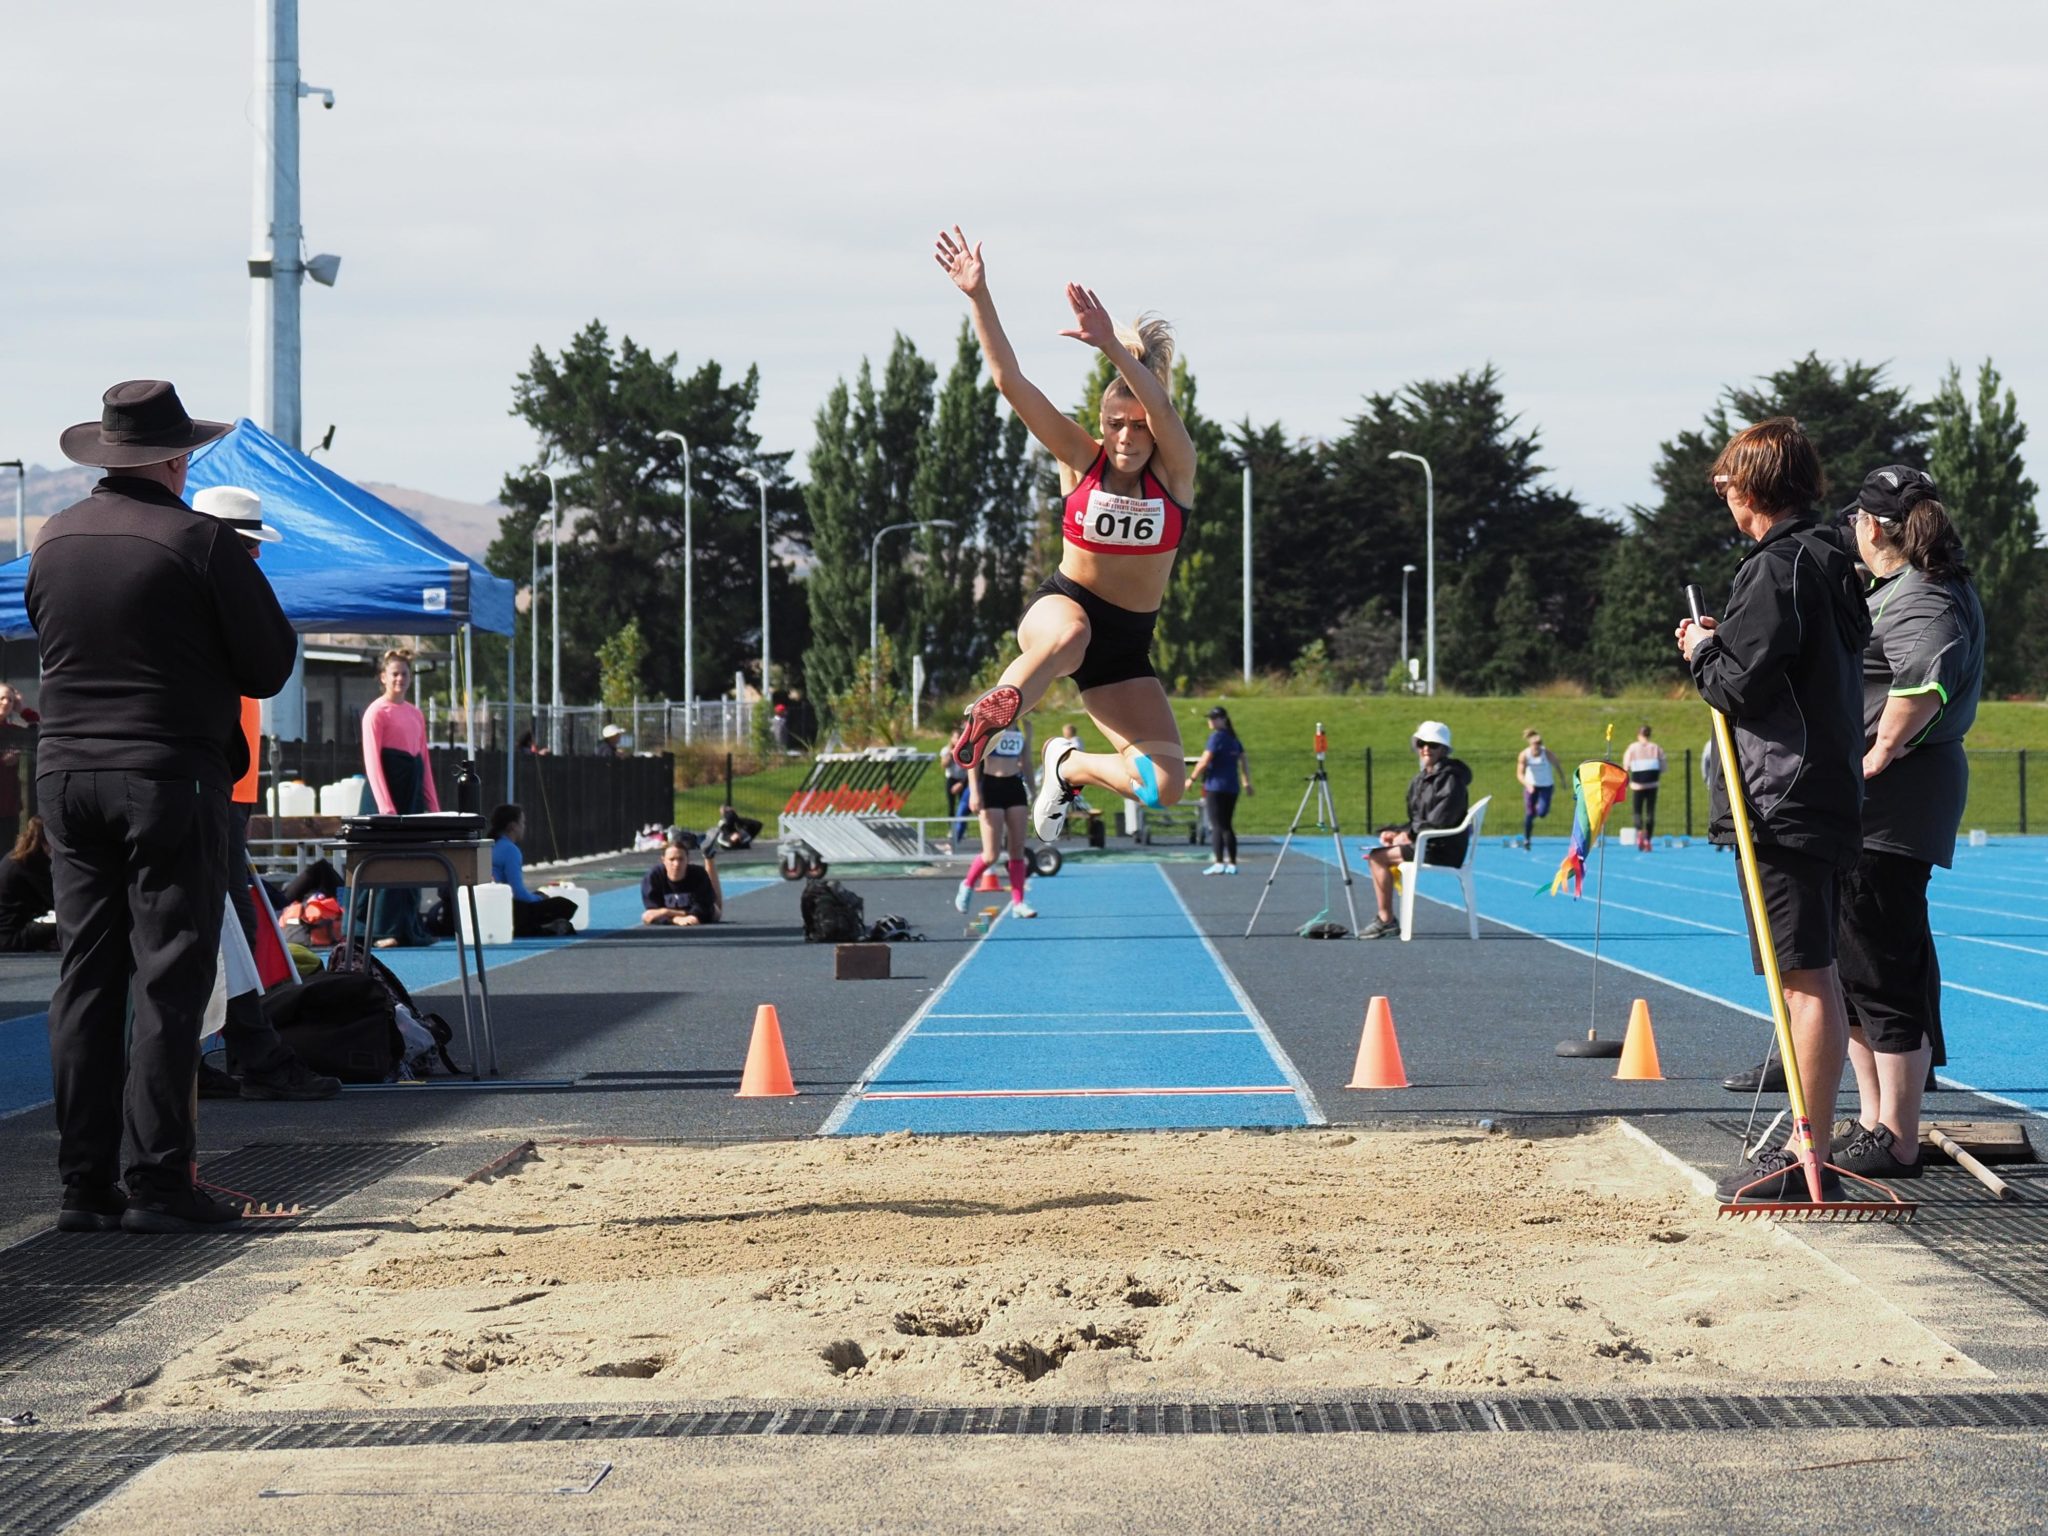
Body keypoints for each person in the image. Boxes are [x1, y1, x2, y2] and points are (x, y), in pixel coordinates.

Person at [28, 379, 297, 1233]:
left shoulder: (53, 538)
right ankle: (157, 1183)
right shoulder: (199, 541)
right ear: (178, 459)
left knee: (86, 976)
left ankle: (83, 1187)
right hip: (166, 776)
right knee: (170, 976)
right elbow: (267, 666)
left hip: (66, 776)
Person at [934, 228, 1194, 842]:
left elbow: (1162, 408)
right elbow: (1010, 382)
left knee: (1165, 786)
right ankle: (992, 717)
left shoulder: (1176, 470)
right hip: (1064, 604)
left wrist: (1111, 348)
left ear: (1154, 428)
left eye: (1137, 426)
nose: (1126, 437)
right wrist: (979, 295)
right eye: (1114, 425)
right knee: (1071, 634)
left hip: (1125, 646)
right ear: (1101, 425)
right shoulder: (1082, 458)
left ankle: (1067, 765)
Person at [1677, 418, 1870, 1205]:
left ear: (1753, 489)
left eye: (1727, 485)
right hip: (1818, 788)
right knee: (1808, 972)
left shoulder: (1777, 568)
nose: (1723, 498)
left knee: (1804, 977)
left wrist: (1699, 651)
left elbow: (1739, 687)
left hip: (1786, 795)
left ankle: (1808, 1154)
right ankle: (1809, 1146)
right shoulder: (1827, 561)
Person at [1823, 467, 1982, 1180]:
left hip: (1890, 807)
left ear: (1875, 527)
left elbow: (1924, 678)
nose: (1851, 525)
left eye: (1857, 516)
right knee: (1857, 965)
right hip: (1873, 804)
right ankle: (1870, 1119)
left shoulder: (1924, 595)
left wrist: (1877, 755)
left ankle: (1898, 1133)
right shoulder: (1897, 588)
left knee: (1883, 965)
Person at [189, 486, 338, 1102]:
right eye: (248, 545)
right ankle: (251, 1051)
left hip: (225, 778)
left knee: (216, 918)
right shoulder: (215, 589)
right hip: (212, 778)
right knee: (221, 918)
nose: (255, 557)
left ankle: (204, 1055)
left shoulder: (207, 585)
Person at [1357, 720, 1472, 939]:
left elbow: (1440, 820)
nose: (1426, 748)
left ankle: (1386, 920)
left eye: (1433, 744)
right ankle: (1386, 919)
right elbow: (1417, 819)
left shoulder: (1451, 779)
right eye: (1421, 743)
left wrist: (1408, 835)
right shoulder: (1420, 780)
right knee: (1377, 855)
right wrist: (1394, 831)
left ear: (1444, 749)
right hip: (1427, 843)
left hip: (1442, 848)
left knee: (1377, 858)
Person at [358, 648, 440, 948]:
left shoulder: (416, 714)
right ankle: (381, 929)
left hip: (411, 792)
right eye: (394, 673)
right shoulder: (376, 712)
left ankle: (408, 926)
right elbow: (373, 762)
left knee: (412, 859)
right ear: (383, 677)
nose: (400, 679)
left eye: (404, 674)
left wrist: (432, 805)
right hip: (386, 795)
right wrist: (386, 807)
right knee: (386, 859)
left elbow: (424, 762)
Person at [954, 720, 1037, 918]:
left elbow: (1026, 762)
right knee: (991, 854)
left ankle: (1019, 902)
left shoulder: (1023, 726)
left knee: (1017, 849)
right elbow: (972, 760)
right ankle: (967, 885)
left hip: (1015, 787)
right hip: (991, 786)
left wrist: (1035, 793)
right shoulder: (990, 724)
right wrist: (974, 791)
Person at [488, 803, 581, 936]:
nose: (524, 827)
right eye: (522, 823)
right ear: (513, 826)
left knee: (537, 897)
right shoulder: (509, 850)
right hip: (506, 908)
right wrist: (539, 899)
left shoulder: (490, 845)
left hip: (487, 905)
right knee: (564, 905)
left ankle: (541, 926)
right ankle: (538, 927)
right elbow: (518, 893)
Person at [1190, 705, 1253, 874]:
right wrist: (1246, 781)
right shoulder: (1233, 738)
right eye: (1210, 718)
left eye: (1214, 718)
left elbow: (1204, 760)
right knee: (1227, 825)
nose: (1211, 721)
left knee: (1217, 825)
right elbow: (1243, 760)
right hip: (1231, 787)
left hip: (1216, 786)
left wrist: (1191, 778)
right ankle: (1232, 863)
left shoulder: (1216, 738)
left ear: (1223, 719)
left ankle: (1219, 861)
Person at [0, 816, 58, 952]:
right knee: (69, 917)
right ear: (46, 842)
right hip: (11, 938)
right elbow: (54, 900)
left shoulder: (19, 858)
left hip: (8, 934)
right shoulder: (29, 865)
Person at [641, 835, 722, 926]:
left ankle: (709, 857)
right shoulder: (654, 876)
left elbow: (704, 907)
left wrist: (667, 912)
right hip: (680, 914)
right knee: (645, 916)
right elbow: (652, 912)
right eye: (672, 859)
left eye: (681, 859)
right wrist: (675, 919)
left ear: (688, 859)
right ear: (663, 860)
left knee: (716, 911)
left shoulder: (698, 874)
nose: (676, 864)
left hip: (696, 912)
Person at [0, 683, 34, 853]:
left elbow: (39, 727)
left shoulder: (14, 731)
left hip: (8, 808)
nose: (6, 703)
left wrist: (23, 710)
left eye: (10, 700)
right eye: (1, 698)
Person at [1622, 724, 1666, 851]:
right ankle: (1648, 838)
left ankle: (1639, 831)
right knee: (1650, 812)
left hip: (1637, 785)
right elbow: (1663, 767)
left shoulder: (1632, 748)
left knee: (1637, 811)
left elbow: (1626, 766)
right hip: (1652, 784)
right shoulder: (1656, 748)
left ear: (1638, 734)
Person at [1514, 729, 1560, 850]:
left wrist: (1563, 780)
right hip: (1532, 786)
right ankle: (1527, 839)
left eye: (1539, 744)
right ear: (1531, 745)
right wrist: (1527, 784)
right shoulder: (1524, 755)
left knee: (1542, 813)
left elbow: (1557, 765)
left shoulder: (1546, 753)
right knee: (1529, 814)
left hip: (1546, 785)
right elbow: (1519, 774)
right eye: (1535, 744)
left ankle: (1537, 811)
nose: (1537, 747)